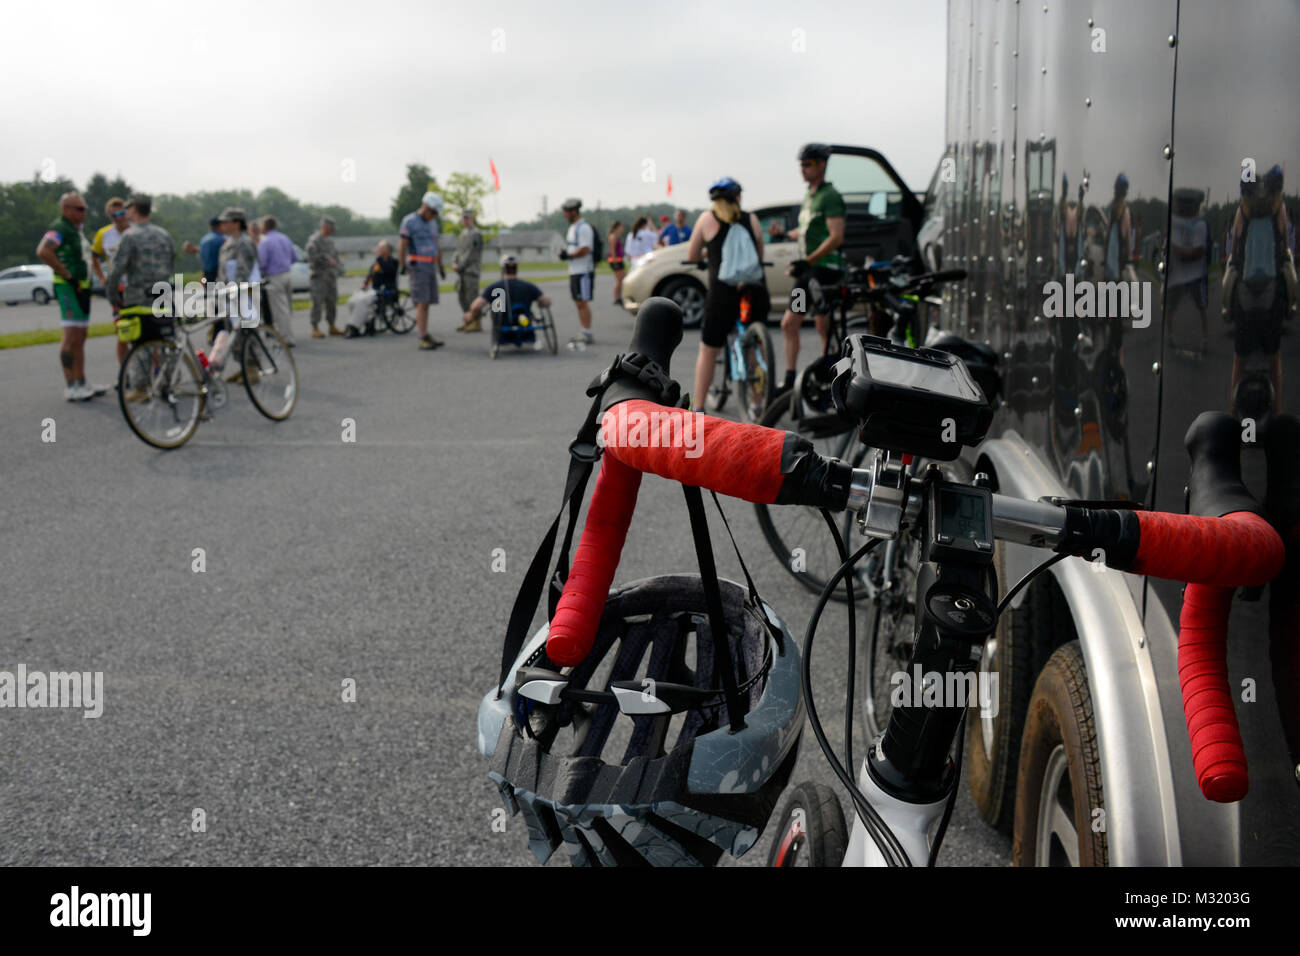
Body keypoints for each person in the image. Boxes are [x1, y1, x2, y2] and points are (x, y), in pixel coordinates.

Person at [682, 177, 769, 409]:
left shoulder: (706, 219)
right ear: (738, 197)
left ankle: (698, 407)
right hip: (754, 291)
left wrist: (706, 257)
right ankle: (757, 404)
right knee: (755, 345)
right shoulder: (752, 219)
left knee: (708, 349)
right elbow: (759, 256)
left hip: (723, 294)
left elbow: (691, 255)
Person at [771, 143, 846, 392]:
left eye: (808, 164)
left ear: (822, 165)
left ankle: (829, 374)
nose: (802, 169)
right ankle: (791, 379)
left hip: (824, 271)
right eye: (801, 164)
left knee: (823, 325)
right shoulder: (810, 195)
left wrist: (810, 261)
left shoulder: (831, 196)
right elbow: (806, 230)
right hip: (808, 272)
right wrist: (784, 233)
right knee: (790, 323)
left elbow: (836, 237)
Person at [1223, 165, 1297, 412]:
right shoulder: (1279, 211)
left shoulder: (1242, 211)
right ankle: (1276, 414)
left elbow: (1234, 252)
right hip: (1271, 293)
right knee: (1274, 361)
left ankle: (1233, 417)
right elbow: (1286, 245)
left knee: (1239, 362)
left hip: (1245, 293)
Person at [107, 195, 176, 400]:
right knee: (165, 340)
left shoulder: (130, 236)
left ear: (134, 209)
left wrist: (112, 296)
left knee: (141, 341)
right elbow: (172, 263)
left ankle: (141, 388)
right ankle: (167, 382)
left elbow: (117, 269)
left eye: (127, 208)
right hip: (163, 292)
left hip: (139, 295)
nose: (126, 212)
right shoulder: (165, 235)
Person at [36, 191, 97, 401]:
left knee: (81, 336)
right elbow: (43, 252)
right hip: (68, 287)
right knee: (70, 337)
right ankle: (71, 385)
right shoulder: (59, 228)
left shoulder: (75, 229)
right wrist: (67, 275)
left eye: (85, 208)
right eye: (79, 209)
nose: (84, 212)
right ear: (66, 209)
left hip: (82, 286)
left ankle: (81, 381)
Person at [462, 254, 553, 341]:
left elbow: (476, 306)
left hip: (503, 330)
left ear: (502, 269)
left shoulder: (494, 287)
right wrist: (540, 303)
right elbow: (547, 301)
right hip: (525, 329)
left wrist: (471, 315)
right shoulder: (529, 286)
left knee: (496, 306)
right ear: (516, 269)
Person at [399, 191, 447, 350]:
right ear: (425, 207)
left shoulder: (433, 223)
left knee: (427, 303)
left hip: (431, 267)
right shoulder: (409, 221)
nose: (434, 216)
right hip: (418, 267)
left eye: (436, 214)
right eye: (433, 212)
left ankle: (425, 334)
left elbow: (436, 245)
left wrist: (441, 266)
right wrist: (402, 265)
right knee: (421, 302)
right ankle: (422, 337)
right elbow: (403, 245)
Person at [1166, 187, 1210, 355]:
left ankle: (1204, 339)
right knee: (1173, 307)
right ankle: (1171, 336)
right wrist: (1186, 252)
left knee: (1200, 306)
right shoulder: (1177, 222)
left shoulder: (1199, 225)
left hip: (1192, 274)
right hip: (1181, 274)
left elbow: (1197, 251)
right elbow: (1190, 251)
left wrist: (1182, 252)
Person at [91, 197, 131, 361]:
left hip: (138, 286)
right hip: (118, 289)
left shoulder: (136, 230)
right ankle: (125, 372)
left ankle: (155, 370)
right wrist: (101, 277)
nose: (118, 218)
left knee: (146, 330)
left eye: (121, 213)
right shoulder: (104, 234)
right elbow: (94, 257)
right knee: (123, 332)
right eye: (113, 215)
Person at [558, 197, 595, 349]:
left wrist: (569, 255)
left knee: (582, 302)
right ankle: (583, 330)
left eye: (566, 212)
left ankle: (587, 332)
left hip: (583, 270)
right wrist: (566, 253)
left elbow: (586, 248)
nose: (564, 214)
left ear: (574, 211)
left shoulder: (583, 227)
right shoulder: (573, 227)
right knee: (578, 302)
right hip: (575, 270)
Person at [344, 240, 399, 337]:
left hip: (386, 290)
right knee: (352, 300)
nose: (378, 249)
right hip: (373, 290)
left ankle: (353, 327)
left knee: (362, 301)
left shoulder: (393, 262)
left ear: (388, 251)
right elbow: (370, 274)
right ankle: (366, 323)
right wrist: (365, 282)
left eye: (381, 248)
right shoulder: (377, 262)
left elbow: (389, 270)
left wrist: (379, 259)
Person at [257, 215, 296, 345]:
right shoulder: (285, 238)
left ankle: (286, 338)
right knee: (287, 306)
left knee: (279, 309)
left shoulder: (265, 241)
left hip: (274, 276)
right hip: (287, 273)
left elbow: (262, 262)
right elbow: (294, 257)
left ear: (265, 227)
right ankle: (288, 333)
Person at [305, 215, 343, 338]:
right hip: (319, 277)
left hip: (331, 276)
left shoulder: (330, 241)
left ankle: (332, 325)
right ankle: (315, 327)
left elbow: (336, 257)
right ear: (324, 227)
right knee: (317, 302)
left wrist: (339, 267)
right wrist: (326, 259)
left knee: (332, 302)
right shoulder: (314, 240)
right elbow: (311, 258)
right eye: (330, 228)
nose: (332, 230)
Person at [452, 209, 485, 331]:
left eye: (467, 218)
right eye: (464, 218)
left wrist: (459, 265)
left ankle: (476, 322)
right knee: (462, 297)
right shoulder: (463, 233)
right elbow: (458, 251)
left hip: (471, 270)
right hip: (461, 272)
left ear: (472, 219)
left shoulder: (476, 234)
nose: (465, 220)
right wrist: (454, 262)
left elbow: (471, 254)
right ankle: (468, 319)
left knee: (472, 297)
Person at [607, 221, 627, 306]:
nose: (622, 229)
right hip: (615, 260)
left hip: (619, 259)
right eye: (621, 227)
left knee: (623, 279)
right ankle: (616, 297)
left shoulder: (616, 236)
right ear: (617, 227)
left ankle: (619, 296)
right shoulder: (613, 236)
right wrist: (615, 262)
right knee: (619, 280)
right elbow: (612, 250)